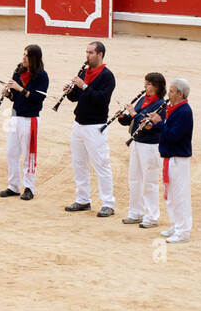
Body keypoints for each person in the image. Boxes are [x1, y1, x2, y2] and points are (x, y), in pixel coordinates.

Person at [63, 41, 116, 216]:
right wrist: (71, 91)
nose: (87, 56)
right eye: (86, 52)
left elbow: (101, 99)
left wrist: (83, 86)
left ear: (100, 54)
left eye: (91, 53)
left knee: (101, 164)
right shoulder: (85, 72)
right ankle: (83, 199)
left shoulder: (107, 76)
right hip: (79, 124)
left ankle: (108, 203)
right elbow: (77, 98)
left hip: (96, 126)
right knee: (79, 163)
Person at [0, 45, 49, 200]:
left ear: (34, 58)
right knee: (11, 152)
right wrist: (8, 93)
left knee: (29, 154)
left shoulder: (42, 76)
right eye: (23, 54)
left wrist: (20, 89)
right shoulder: (19, 71)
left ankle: (29, 187)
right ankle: (13, 186)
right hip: (15, 116)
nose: (23, 58)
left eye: (27, 55)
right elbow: (15, 96)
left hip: (30, 118)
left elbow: (38, 99)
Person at [118, 73, 167, 228]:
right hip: (137, 143)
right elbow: (133, 120)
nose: (145, 86)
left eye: (148, 84)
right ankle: (136, 212)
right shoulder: (143, 99)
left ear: (157, 87)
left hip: (151, 147)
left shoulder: (160, 105)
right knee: (134, 179)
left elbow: (148, 125)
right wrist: (123, 117)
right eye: (145, 83)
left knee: (150, 181)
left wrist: (133, 113)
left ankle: (152, 216)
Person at [153, 78, 193, 243]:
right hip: (170, 157)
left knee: (180, 195)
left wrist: (159, 123)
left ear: (180, 93)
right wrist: (155, 125)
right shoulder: (174, 108)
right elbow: (167, 131)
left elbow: (174, 135)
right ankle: (176, 225)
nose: (168, 94)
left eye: (171, 91)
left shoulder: (184, 111)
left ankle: (183, 232)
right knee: (170, 195)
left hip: (178, 159)